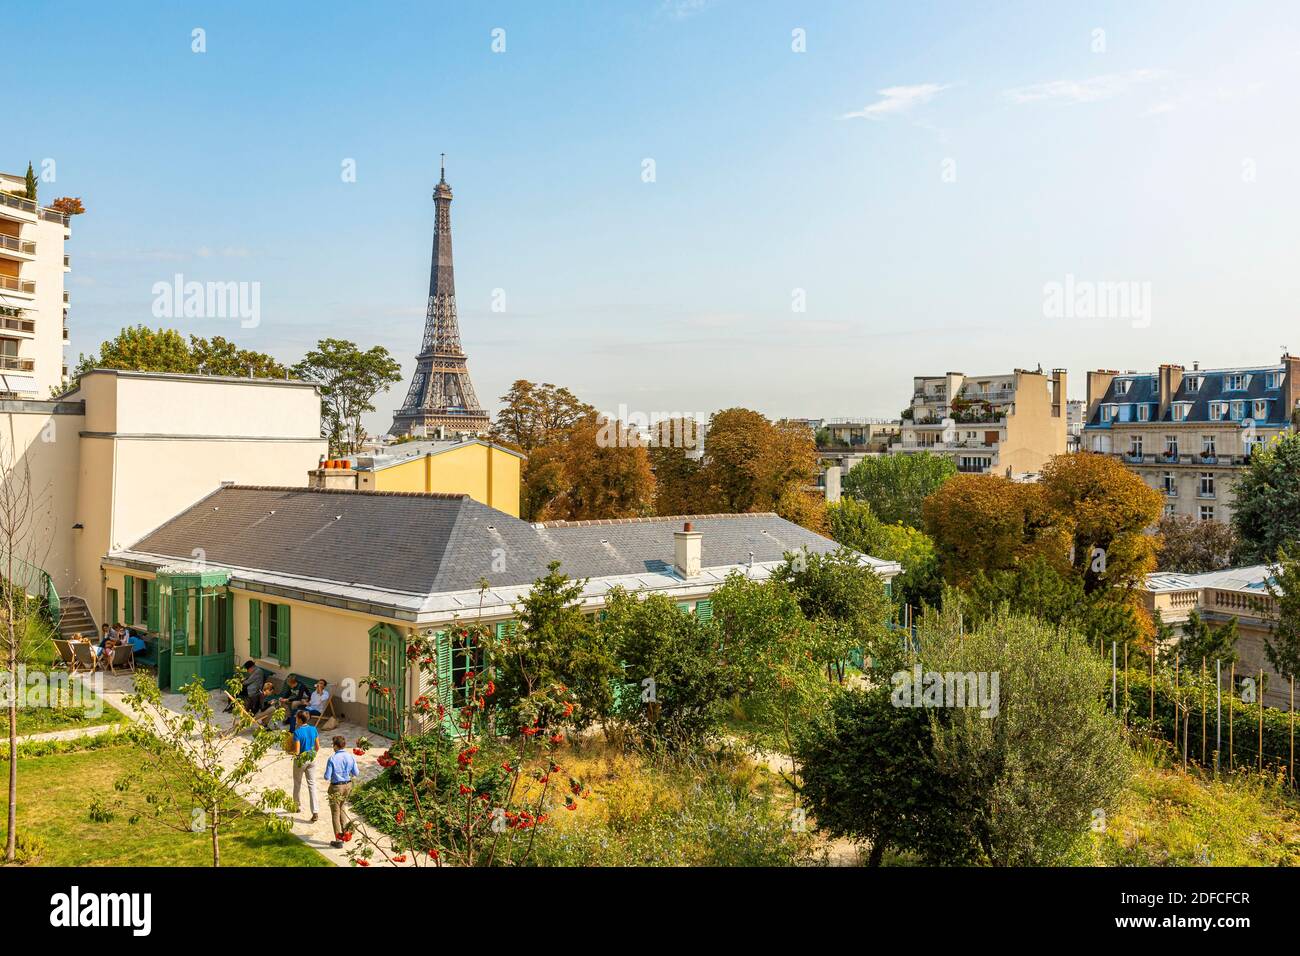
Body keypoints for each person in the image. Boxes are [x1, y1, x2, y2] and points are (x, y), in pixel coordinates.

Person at [323, 735, 359, 848]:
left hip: (336, 787)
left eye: (333, 745)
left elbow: (327, 777)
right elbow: (356, 773)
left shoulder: (332, 759)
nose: (332, 747)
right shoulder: (351, 757)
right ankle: (346, 833)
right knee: (342, 808)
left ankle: (338, 840)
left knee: (335, 812)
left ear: (336, 746)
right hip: (347, 785)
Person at [291, 710, 320, 823]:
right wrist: (312, 754)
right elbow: (317, 747)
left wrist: (291, 752)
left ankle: (296, 806)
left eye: (296, 717)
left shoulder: (297, 732)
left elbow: (297, 751)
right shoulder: (313, 729)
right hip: (312, 759)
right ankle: (315, 811)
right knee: (312, 785)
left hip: (301, 760)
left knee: (297, 783)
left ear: (299, 719)